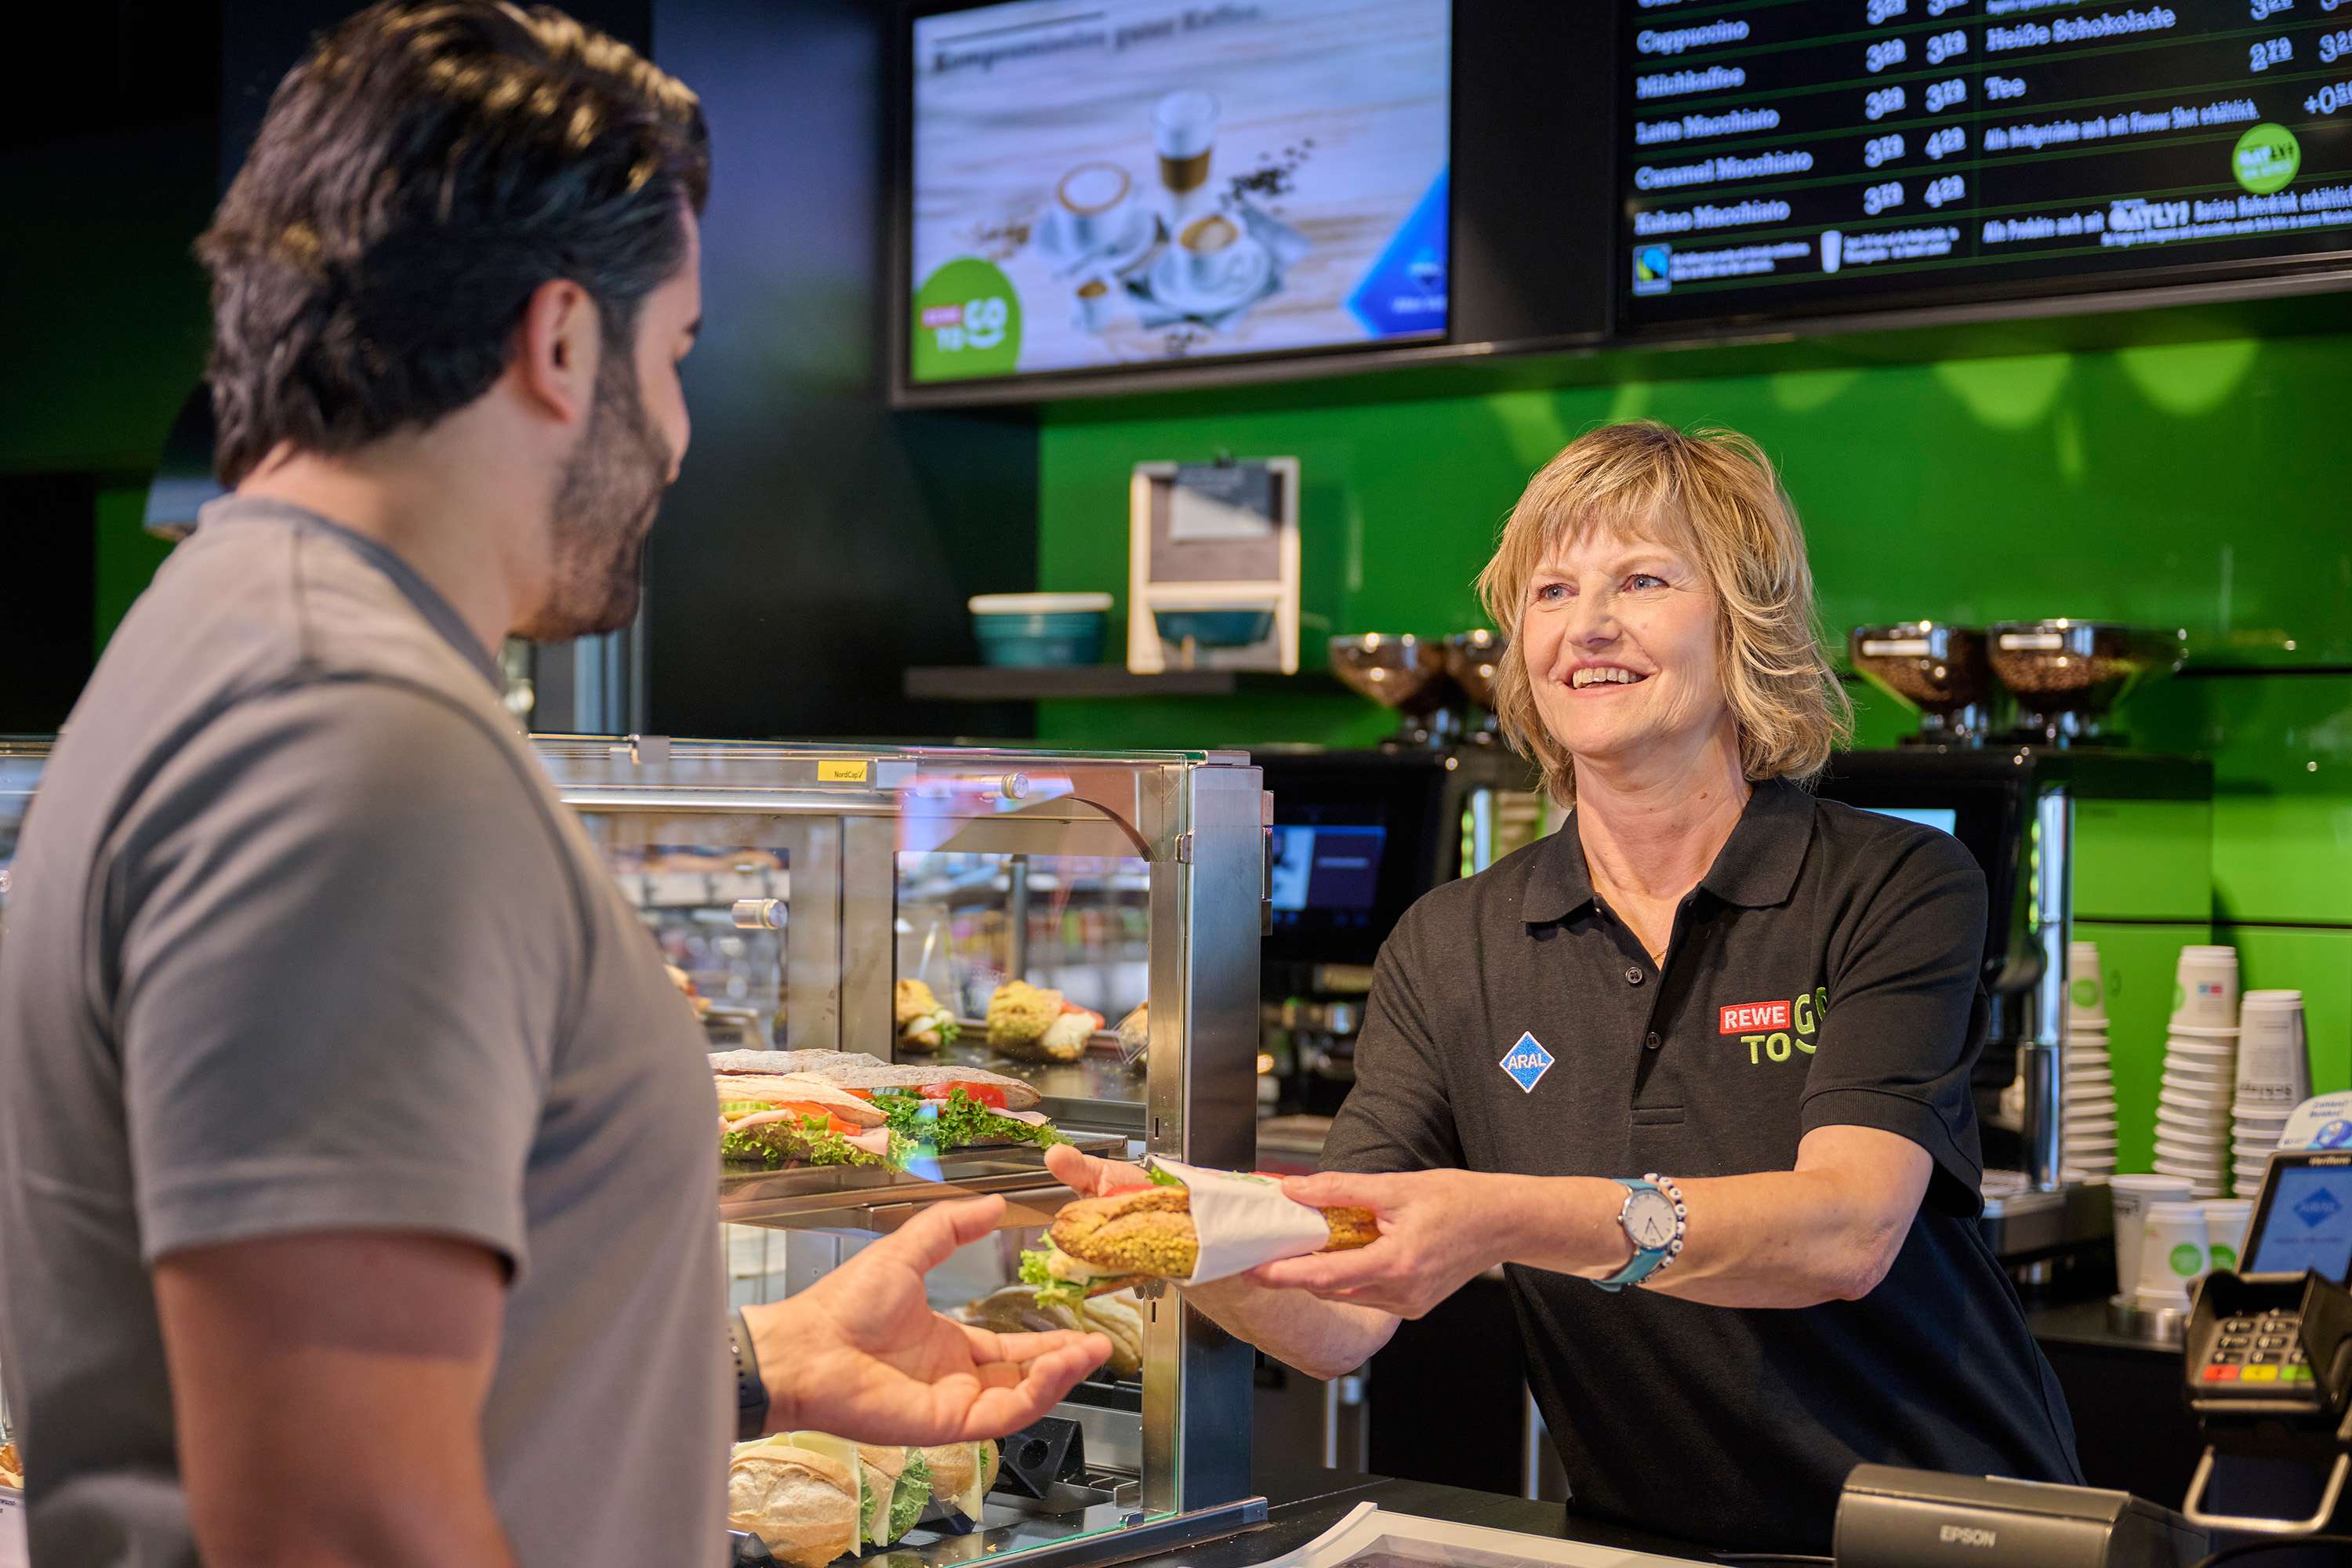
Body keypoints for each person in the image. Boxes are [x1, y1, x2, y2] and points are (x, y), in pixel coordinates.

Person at [0, 7, 1106, 1566]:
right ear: (565, 341)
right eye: (677, 358)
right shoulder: (350, 740)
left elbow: (349, 1383)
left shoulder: (235, 640)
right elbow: (343, 1515)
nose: (677, 433)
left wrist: (751, 1370)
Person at [1050, 422, 2082, 1554]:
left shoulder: (1893, 881)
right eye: (1552, 591)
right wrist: (1182, 1241)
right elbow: (1343, 1314)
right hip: (1643, 1540)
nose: (1589, 626)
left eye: (1643, 580)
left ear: (1746, 624)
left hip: (1952, 1533)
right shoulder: (1454, 943)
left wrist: (1499, 1210)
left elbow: (1843, 1233)